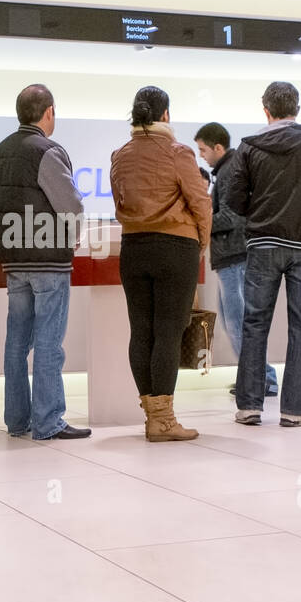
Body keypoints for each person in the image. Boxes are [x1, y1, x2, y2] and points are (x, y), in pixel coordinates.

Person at [226, 81, 301, 427]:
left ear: (265, 110)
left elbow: (233, 199)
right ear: (297, 108)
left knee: (254, 323)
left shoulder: (249, 147)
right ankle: (296, 410)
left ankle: (249, 405)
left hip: (262, 244)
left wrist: (259, 212)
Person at [0, 83, 91, 442]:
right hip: (48, 260)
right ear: (48, 112)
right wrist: (75, 232)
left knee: (16, 343)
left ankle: (17, 420)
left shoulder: (0, 151)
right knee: (49, 343)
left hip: (15, 259)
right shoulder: (47, 150)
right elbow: (71, 205)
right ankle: (48, 421)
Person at [109, 85, 211, 442]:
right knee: (168, 331)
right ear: (165, 115)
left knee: (142, 330)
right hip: (175, 248)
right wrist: (202, 243)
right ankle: (164, 421)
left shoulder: (120, 155)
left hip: (133, 248)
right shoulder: (178, 152)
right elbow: (201, 203)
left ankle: (152, 415)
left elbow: (119, 204)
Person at [194, 122, 278, 399]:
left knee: (238, 323)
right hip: (231, 257)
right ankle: (259, 376)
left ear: (218, 147)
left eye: (204, 150)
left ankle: (259, 377)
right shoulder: (228, 171)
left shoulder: (229, 172)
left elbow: (231, 217)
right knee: (236, 322)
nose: (202, 156)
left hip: (234, 257)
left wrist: (201, 221)